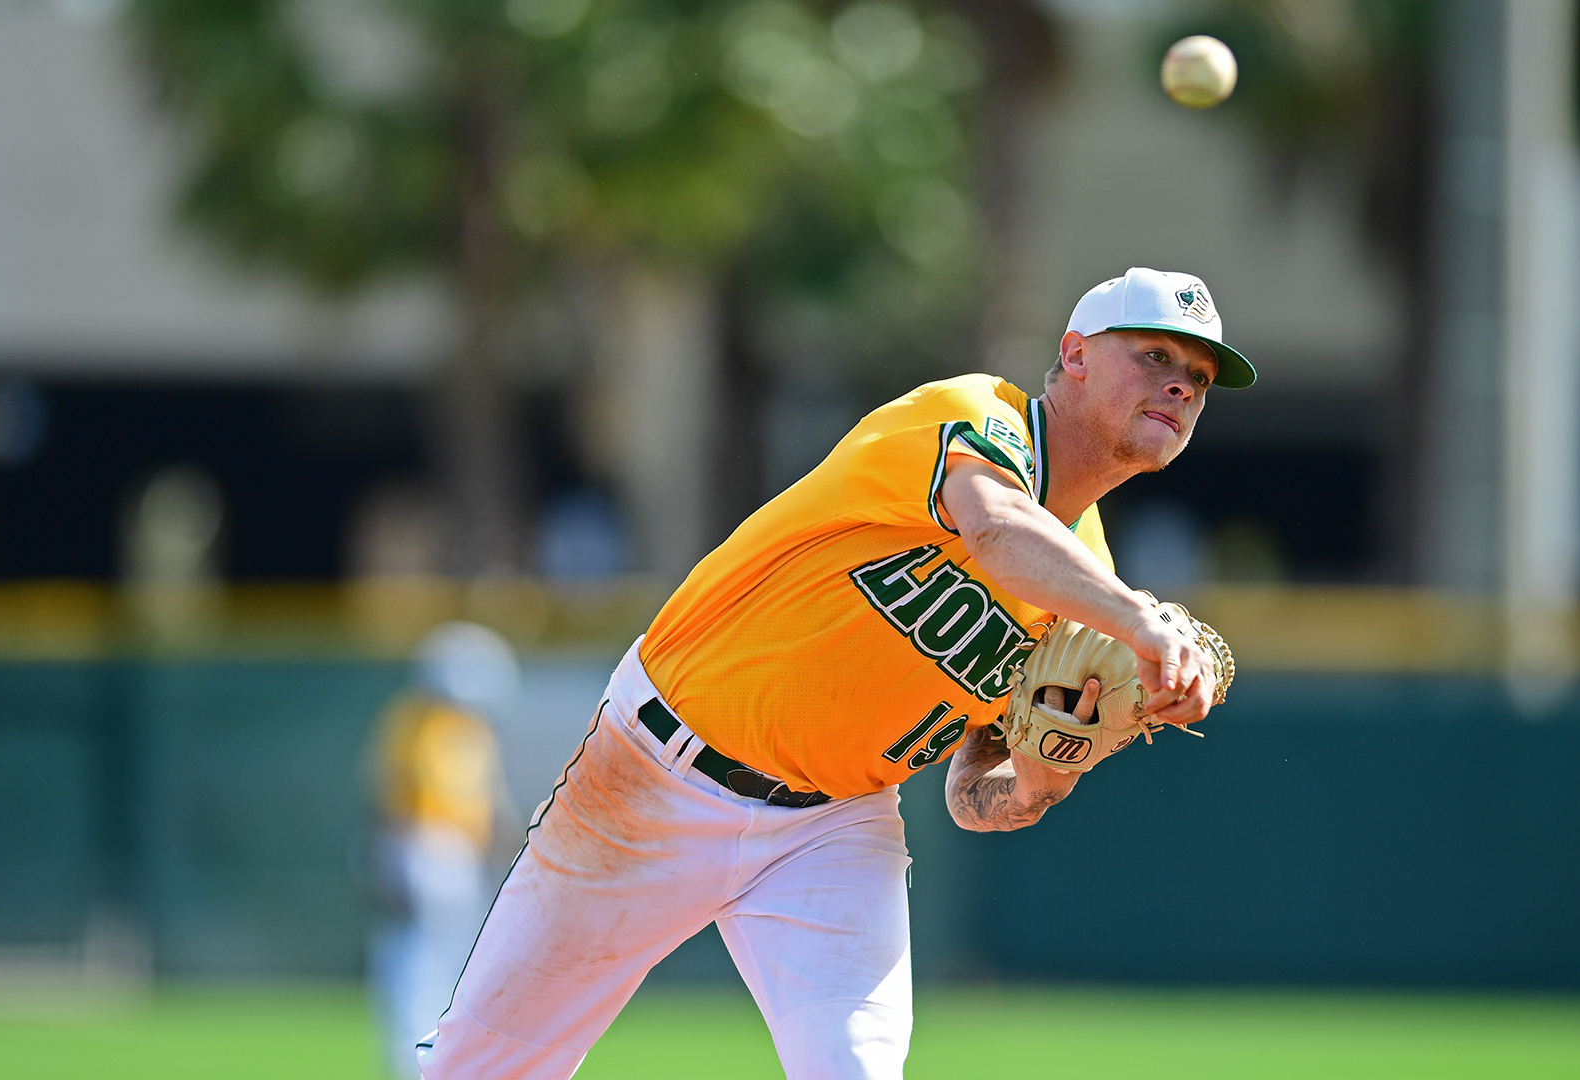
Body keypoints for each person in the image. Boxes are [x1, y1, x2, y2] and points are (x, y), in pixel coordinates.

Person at [417, 268, 1256, 1080]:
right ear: (1075, 354)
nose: (1180, 385)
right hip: (655, 775)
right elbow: (997, 529)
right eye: (1155, 355)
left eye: (1199, 377)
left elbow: (973, 789)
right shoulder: (974, 415)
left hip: (832, 829)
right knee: (480, 1072)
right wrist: (1139, 620)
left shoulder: (1088, 585)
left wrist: (1043, 775)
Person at [369, 622, 523, 1080]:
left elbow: (490, 804)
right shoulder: (415, 720)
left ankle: (443, 1055)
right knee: (422, 955)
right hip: (423, 847)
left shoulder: (471, 729)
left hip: (460, 855)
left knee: (452, 959)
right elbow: (392, 797)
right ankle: (412, 1055)